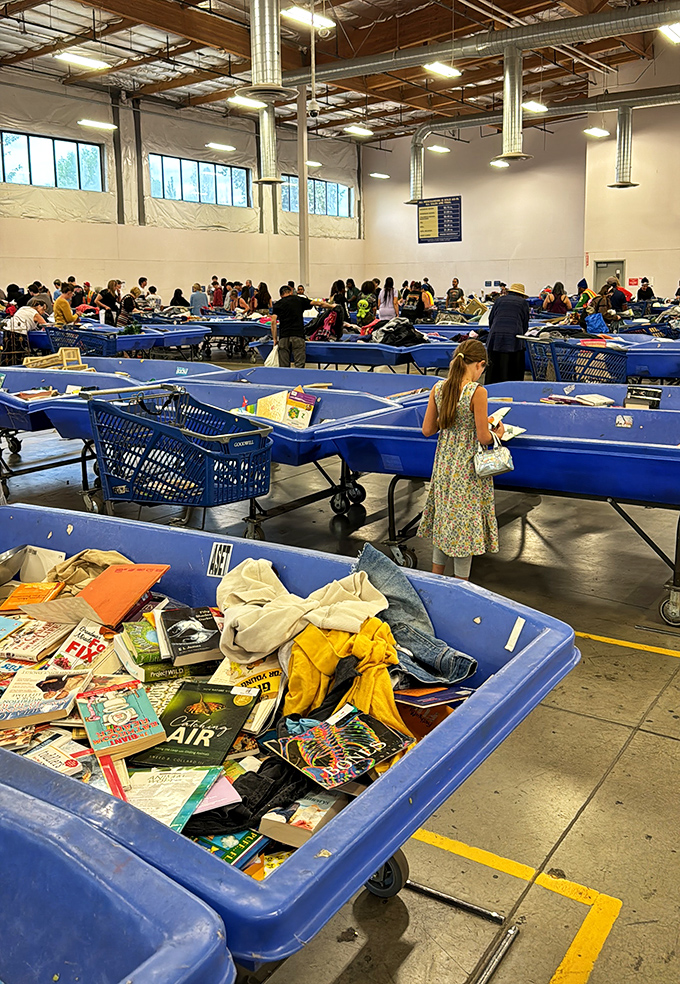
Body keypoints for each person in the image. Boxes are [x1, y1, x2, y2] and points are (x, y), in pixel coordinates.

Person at [417, 338, 501, 579]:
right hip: (467, 469)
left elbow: (427, 430)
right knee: (464, 527)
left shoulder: (439, 388)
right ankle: (461, 586)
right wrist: (499, 432)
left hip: (444, 465)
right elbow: (483, 437)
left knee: (445, 521)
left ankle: (436, 579)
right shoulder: (478, 392)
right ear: (480, 365)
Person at [270, 285, 332, 368]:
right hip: (298, 336)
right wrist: (332, 306)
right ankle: (298, 380)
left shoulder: (277, 304)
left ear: (281, 295)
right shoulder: (298, 299)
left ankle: (285, 380)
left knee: (283, 367)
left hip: (284, 337)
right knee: (299, 366)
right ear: (291, 292)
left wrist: (274, 339)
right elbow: (318, 303)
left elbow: (273, 321)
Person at [486, 282, 529, 384]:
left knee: (494, 369)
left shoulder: (499, 300)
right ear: (521, 295)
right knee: (511, 370)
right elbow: (524, 323)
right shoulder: (523, 303)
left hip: (495, 338)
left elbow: (491, 318)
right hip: (514, 338)